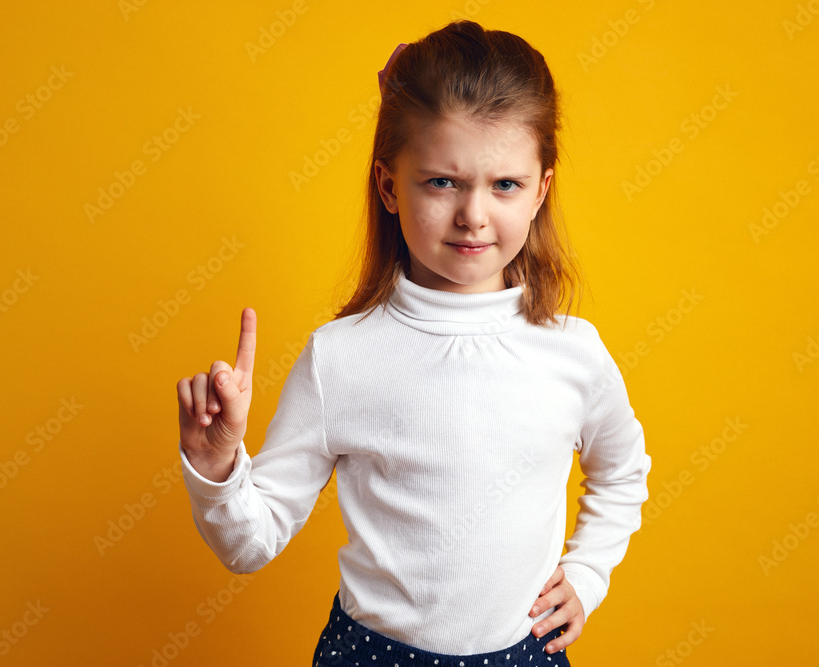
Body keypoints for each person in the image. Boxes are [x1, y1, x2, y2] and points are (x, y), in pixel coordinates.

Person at [175, 19, 652, 667]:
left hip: (523, 654)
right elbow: (249, 544)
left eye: (504, 184)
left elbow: (622, 471)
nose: (474, 215)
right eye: (442, 182)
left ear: (541, 189)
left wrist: (589, 571)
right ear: (389, 185)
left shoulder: (572, 352)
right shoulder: (339, 358)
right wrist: (218, 465)